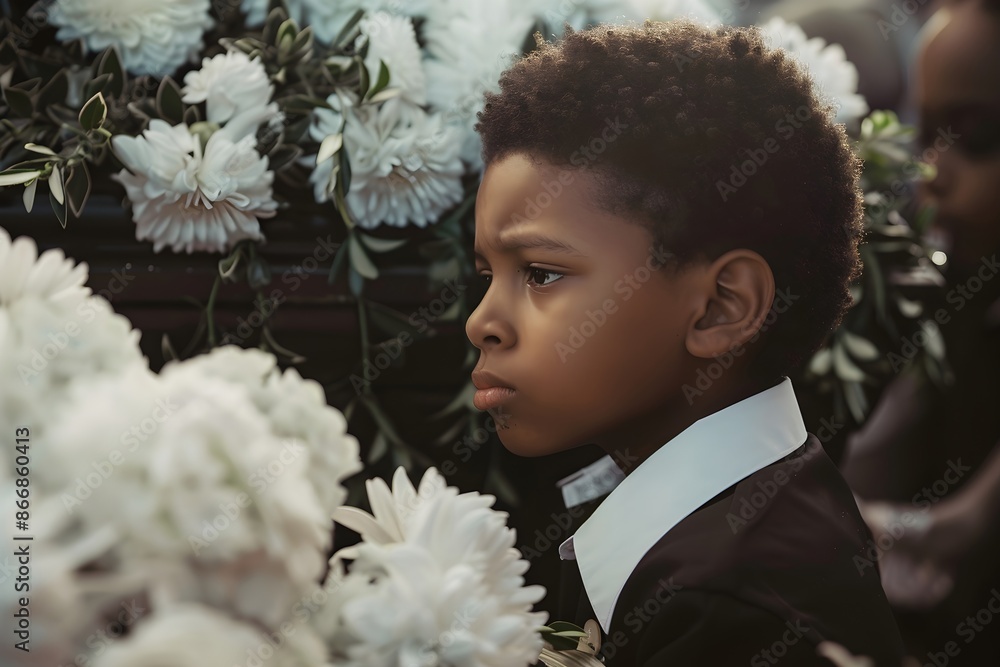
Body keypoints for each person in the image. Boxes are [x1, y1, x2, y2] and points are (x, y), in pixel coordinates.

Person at [466, 19, 904, 666]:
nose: (482, 321)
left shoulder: (730, 613)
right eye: (486, 275)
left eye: (541, 273)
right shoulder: (745, 521)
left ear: (721, 307)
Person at [842, 0, 1000, 663]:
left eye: (971, 132)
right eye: (926, 131)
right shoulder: (959, 284)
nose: (933, 171)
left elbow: (961, 525)